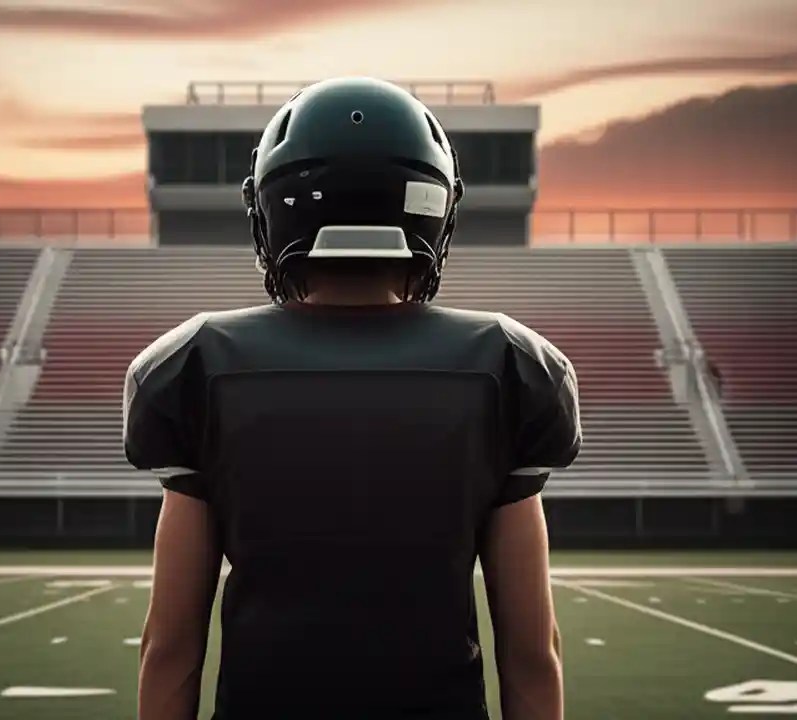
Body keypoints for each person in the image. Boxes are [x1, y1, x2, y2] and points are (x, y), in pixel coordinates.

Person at [125, 76, 581, 720]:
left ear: (272, 208)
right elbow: (533, 654)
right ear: (433, 207)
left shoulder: (202, 365)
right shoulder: (503, 365)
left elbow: (170, 648)